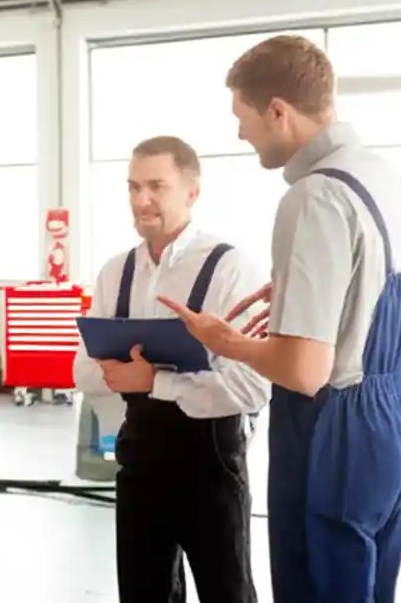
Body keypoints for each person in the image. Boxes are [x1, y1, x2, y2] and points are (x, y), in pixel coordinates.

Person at [159, 35, 401, 603]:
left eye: (243, 117)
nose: (239, 133)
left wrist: (222, 340)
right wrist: (309, 292)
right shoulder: (385, 178)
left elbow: (304, 371)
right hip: (393, 424)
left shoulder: (313, 196)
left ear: (278, 111)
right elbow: (374, 289)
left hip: (335, 431)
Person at [73, 135, 269, 603]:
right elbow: (81, 371)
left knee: (228, 592)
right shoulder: (114, 272)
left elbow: (252, 388)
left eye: (156, 186)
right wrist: (115, 374)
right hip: (139, 456)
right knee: (143, 593)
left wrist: (154, 380)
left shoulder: (230, 269)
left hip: (211, 462)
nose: (142, 200)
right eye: (133, 187)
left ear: (192, 192)